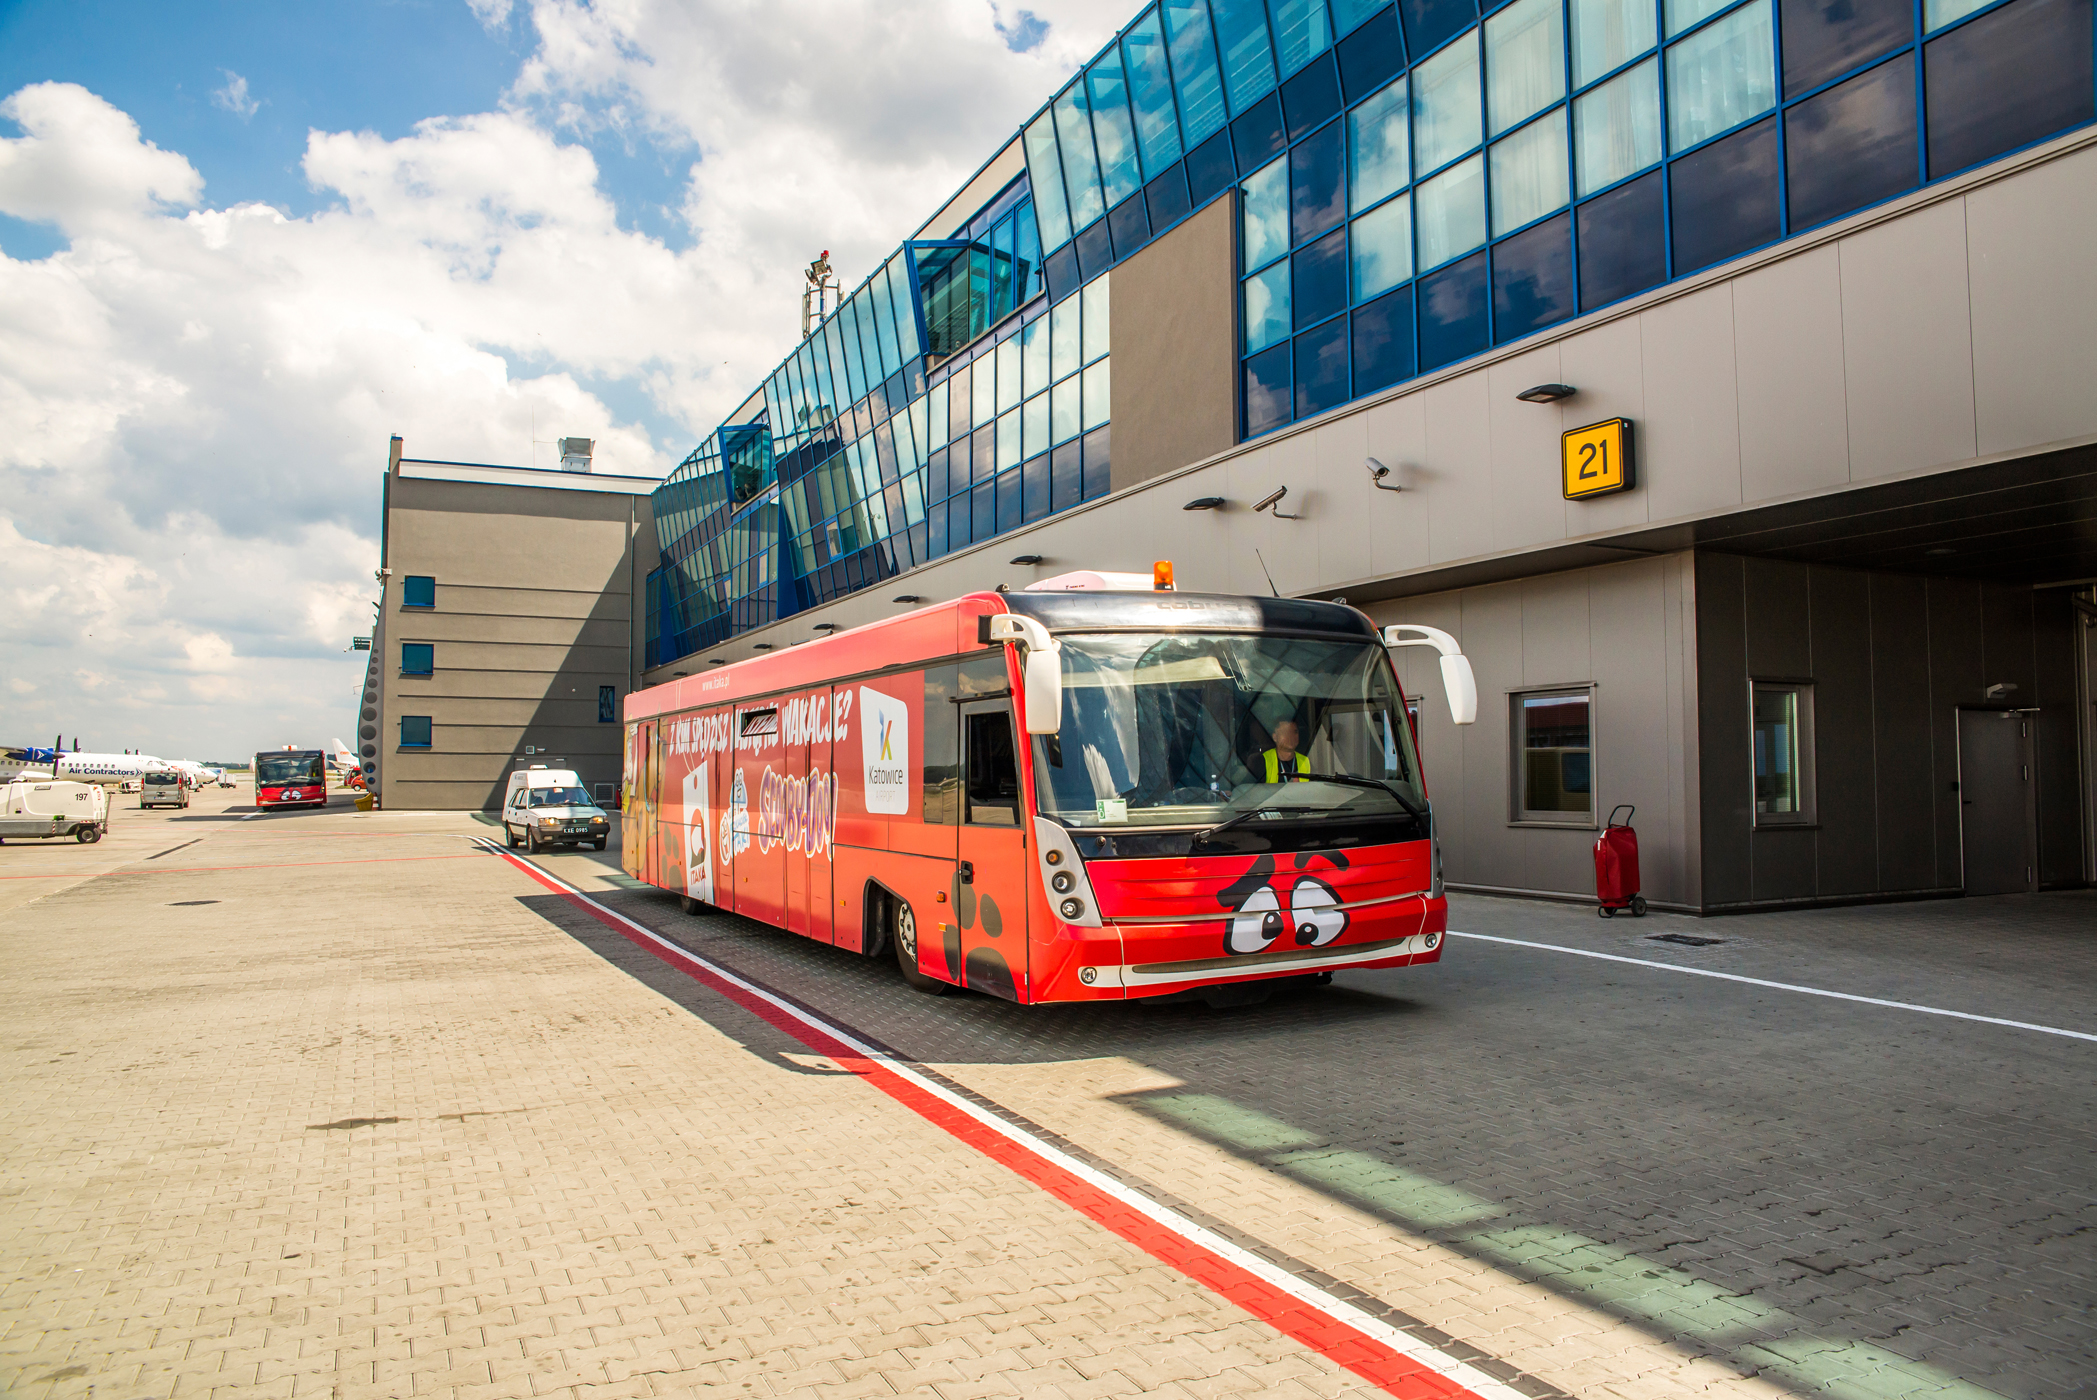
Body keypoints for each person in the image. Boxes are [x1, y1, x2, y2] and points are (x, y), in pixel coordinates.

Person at [1259, 718, 1311, 783]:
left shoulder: (1305, 761)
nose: (1291, 736)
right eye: (1285, 732)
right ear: (1275, 737)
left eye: (1295, 732)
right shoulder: (1263, 760)